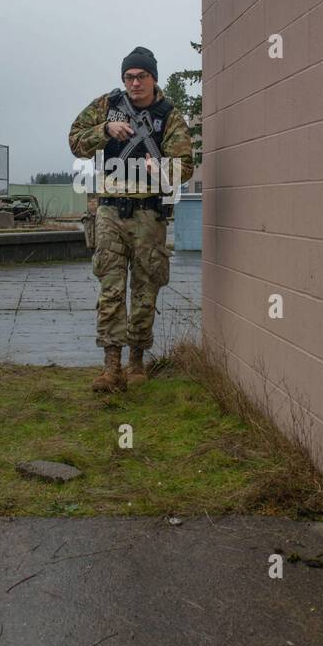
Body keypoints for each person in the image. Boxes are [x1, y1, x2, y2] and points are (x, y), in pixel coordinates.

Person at [68, 46, 194, 391]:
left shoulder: (169, 115)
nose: (135, 82)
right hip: (109, 210)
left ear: (154, 78)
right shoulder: (107, 106)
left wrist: (163, 167)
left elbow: (186, 165)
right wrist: (105, 131)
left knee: (144, 289)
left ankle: (137, 360)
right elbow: (75, 140)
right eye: (129, 77)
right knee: (110, 289)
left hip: (149, 214)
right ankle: (111, 367)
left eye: (141, 76)